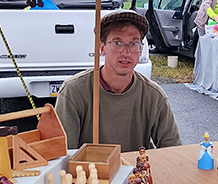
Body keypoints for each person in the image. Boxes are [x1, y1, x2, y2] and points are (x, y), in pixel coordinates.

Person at [55, 10, 182, 152]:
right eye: (117, 43)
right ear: (102, 47)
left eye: (134, 44)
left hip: (137, 171)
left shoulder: (154, 95)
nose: (126, 53)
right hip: (91, 172)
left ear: (141, 50)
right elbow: (64, 154)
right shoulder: (74, 91)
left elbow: (173, 150)